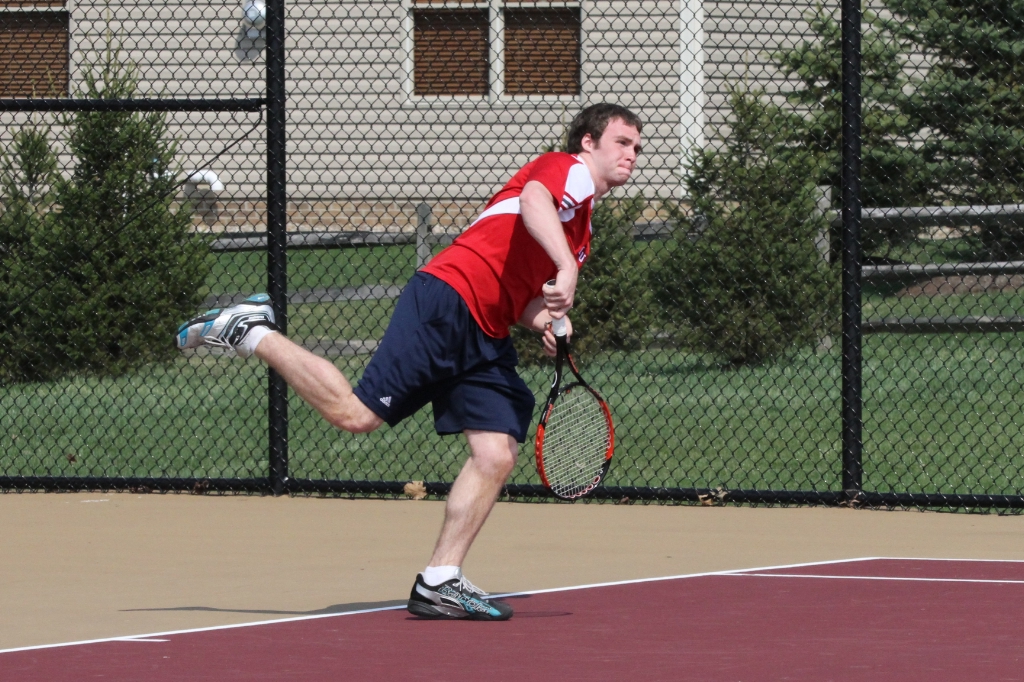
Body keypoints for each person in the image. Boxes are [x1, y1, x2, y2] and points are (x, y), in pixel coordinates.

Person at [175, 103, 643, 621]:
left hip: (486, 332)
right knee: (356, 416)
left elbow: (522, 297)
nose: (632, 155)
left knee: (496, 454)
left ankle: (440, 580)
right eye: (622, 143)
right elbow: (534, 199)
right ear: (588, 143)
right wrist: (564, 268)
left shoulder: (581, 231)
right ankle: (252, 332)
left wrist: (549, 324)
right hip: (448, 300)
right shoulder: (565, 169)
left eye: (637, 148)